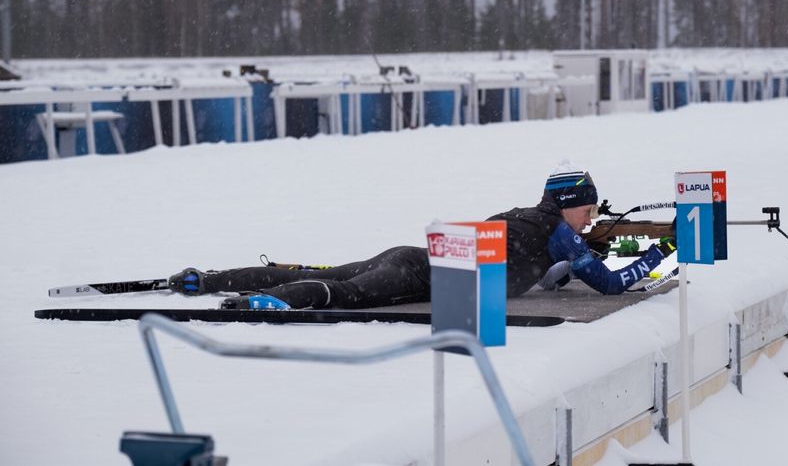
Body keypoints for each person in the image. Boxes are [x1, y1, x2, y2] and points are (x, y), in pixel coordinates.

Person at [167, 163, 674, 310]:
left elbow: (536, 269)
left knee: (317, 271)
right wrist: (658, 252)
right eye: (587, 210)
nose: (589, 219)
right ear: (569, 206)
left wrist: (560, 273)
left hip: (412, 257)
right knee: (340, 295)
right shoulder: (562, 235)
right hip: (422, 278)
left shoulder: (529, 217)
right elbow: (609, 285)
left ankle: (208, 280)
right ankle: (261, 304)